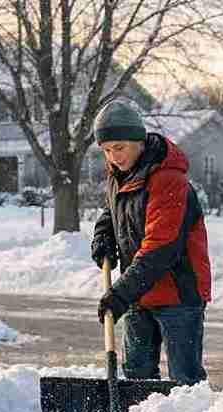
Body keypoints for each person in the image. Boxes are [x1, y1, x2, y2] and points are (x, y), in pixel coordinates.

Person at [90, 99, 212, 385]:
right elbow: (113, 210)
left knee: (185, 380)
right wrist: (103, 235)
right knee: (136, 377)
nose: (114, 157)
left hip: (179, 294)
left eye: (119, 148)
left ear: (139, 141)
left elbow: (161, 247)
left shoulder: (169, 180)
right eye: (106, 150)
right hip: (139, 292)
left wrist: (120, 294)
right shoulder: (120, 175)